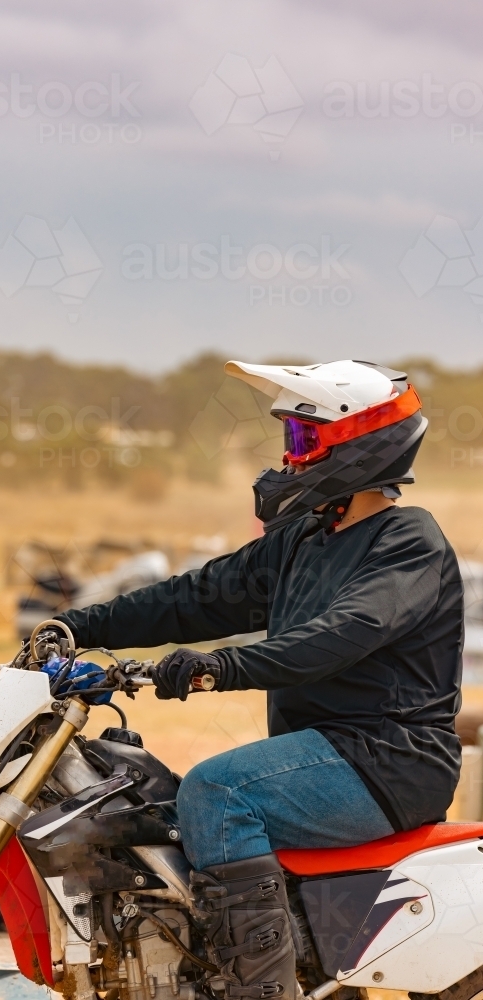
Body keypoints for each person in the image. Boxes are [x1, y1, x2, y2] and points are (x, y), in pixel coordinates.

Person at [49, 359, 463, 1000]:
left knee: (218, 791)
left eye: (302, 439)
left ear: (356, 444)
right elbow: (199, 596)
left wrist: (220, 666)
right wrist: (79, 626)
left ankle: (256, 989)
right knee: (150, 795)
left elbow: (339, 635)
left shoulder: (409, 543)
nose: (289, 456)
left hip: (386, 761)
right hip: (327, 754)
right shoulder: (304, 537)